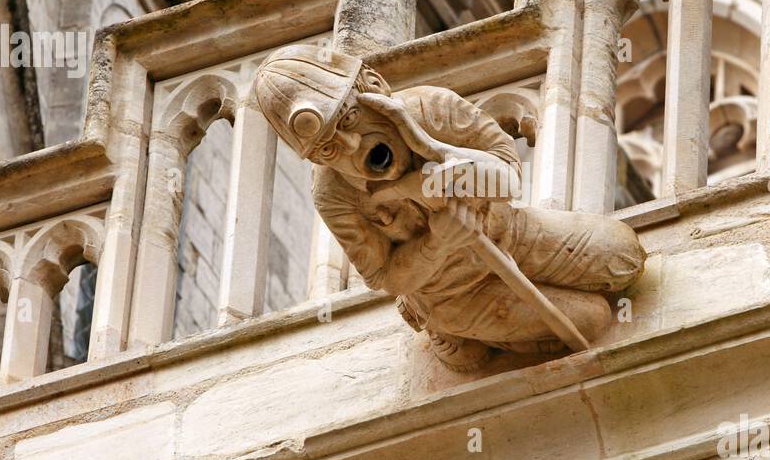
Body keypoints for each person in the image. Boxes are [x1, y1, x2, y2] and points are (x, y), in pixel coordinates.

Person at [254, 44, 646, 370]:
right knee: (591, 320)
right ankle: (444, 326)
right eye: (329, 148)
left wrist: (434, 148)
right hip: (449, 294)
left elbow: (508, 178)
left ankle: (476, 332)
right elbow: (385, 278)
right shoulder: (334, 194)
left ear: (372, 88)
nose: (352, 146)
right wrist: (436, 244)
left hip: (512, 236)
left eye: (350, 118)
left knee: (624, 256)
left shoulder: (431, 108)